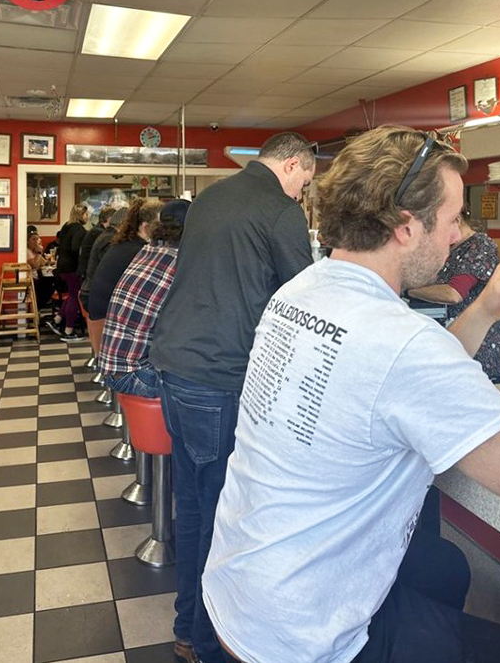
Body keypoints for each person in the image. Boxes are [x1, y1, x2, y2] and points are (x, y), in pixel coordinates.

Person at [202, 126, 500, 663]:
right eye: (454, 219)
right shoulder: (402, 343)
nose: (459, 236)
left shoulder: (302, 290)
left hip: (241, 589)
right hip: (304, 639)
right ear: (406, 228)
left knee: (444, 569)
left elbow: (395, 380)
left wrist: (482, 310)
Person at [148, 131, 316, 663]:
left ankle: (186, 628)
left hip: (175, 364)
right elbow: (306, 294)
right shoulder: (278, 210)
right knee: (223, 515)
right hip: (219, 375)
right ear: (292, 165)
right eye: (305, 183)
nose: (302, 195)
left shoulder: (212, 196)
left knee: (194, 507)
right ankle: (205, 643)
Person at [97, 199, 190, 397]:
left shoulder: (149, 250)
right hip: (134, 373)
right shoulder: (178, 260)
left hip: (115, 366)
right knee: (206, 385)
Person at [408, 205, 500, 380]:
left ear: (456, 220)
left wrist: (409, 291)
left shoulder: (480, 246)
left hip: (476, 344)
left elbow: (454, 293)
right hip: (449, 339)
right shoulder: (450, 247)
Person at [88, 197, 162, 323]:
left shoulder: (123, 244)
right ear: (145, 226)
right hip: (109, 318)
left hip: (99, 311)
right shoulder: (139, 251)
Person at [50, 204, 89, 342]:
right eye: (85, 214)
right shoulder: (79, 230)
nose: (87, 217)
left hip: (62, 266)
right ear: (80, 215)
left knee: (72, 295)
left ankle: (57, 319)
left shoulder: (66, 227)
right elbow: (76, 248)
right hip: (73, 268)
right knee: (75, 297)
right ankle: (69, 331)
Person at [80, 206, 129, 307]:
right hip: (96, 295)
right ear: (123, 224)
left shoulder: (105, 235)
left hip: (90, 290)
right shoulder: (110, 239)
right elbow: (109, 271)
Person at [77, 204, 115, 282]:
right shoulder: (100, 233)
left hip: (87, 271)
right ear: (110, 219)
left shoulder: (96, 230)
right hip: (89, 274)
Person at [26, 231, 55, 311]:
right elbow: (34, 264)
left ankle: (43, 304)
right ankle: (39, 305)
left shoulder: (34, 251)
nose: (35, 242)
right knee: (50, 283)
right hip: (32, 279)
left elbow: (44, 262)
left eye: (37, 239)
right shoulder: (27, 251)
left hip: (38, 276)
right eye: (33, 239)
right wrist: (39, 253)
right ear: (28, 241)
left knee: (52, 281)